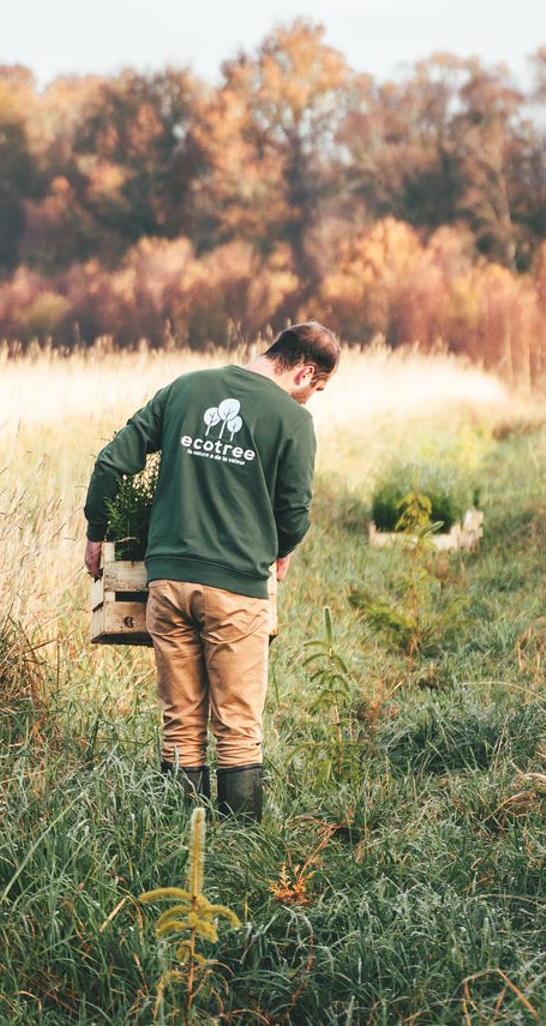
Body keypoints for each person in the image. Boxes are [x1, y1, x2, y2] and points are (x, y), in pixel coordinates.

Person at [83, 322, 339, 821]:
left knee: (180, 722)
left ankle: (176, 838)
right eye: (318, 390)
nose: (312, 400)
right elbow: (294, 513)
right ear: (306, 372)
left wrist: (98, 532)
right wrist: (279, 548)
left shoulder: (187, 387)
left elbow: (113, 462)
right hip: (238, 589)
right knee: (238, 726)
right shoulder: (293, 420)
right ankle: (238, 854)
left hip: (168, 582)